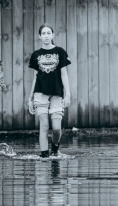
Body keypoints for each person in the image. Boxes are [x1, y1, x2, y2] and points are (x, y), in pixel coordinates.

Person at [27, 24, 72, 158]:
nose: (46, 36)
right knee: (44, 125)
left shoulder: (60, 52)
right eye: (43, 33)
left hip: (57, 93)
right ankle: (44, 155)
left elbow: (64, 74)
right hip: (40, 92)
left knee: (57, 128)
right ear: (39, 36)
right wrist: (30, 98)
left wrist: (68, 94)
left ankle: (54, 150)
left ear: (52, 35)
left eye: (48, 33)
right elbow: (35, 77)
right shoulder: (36, 54)